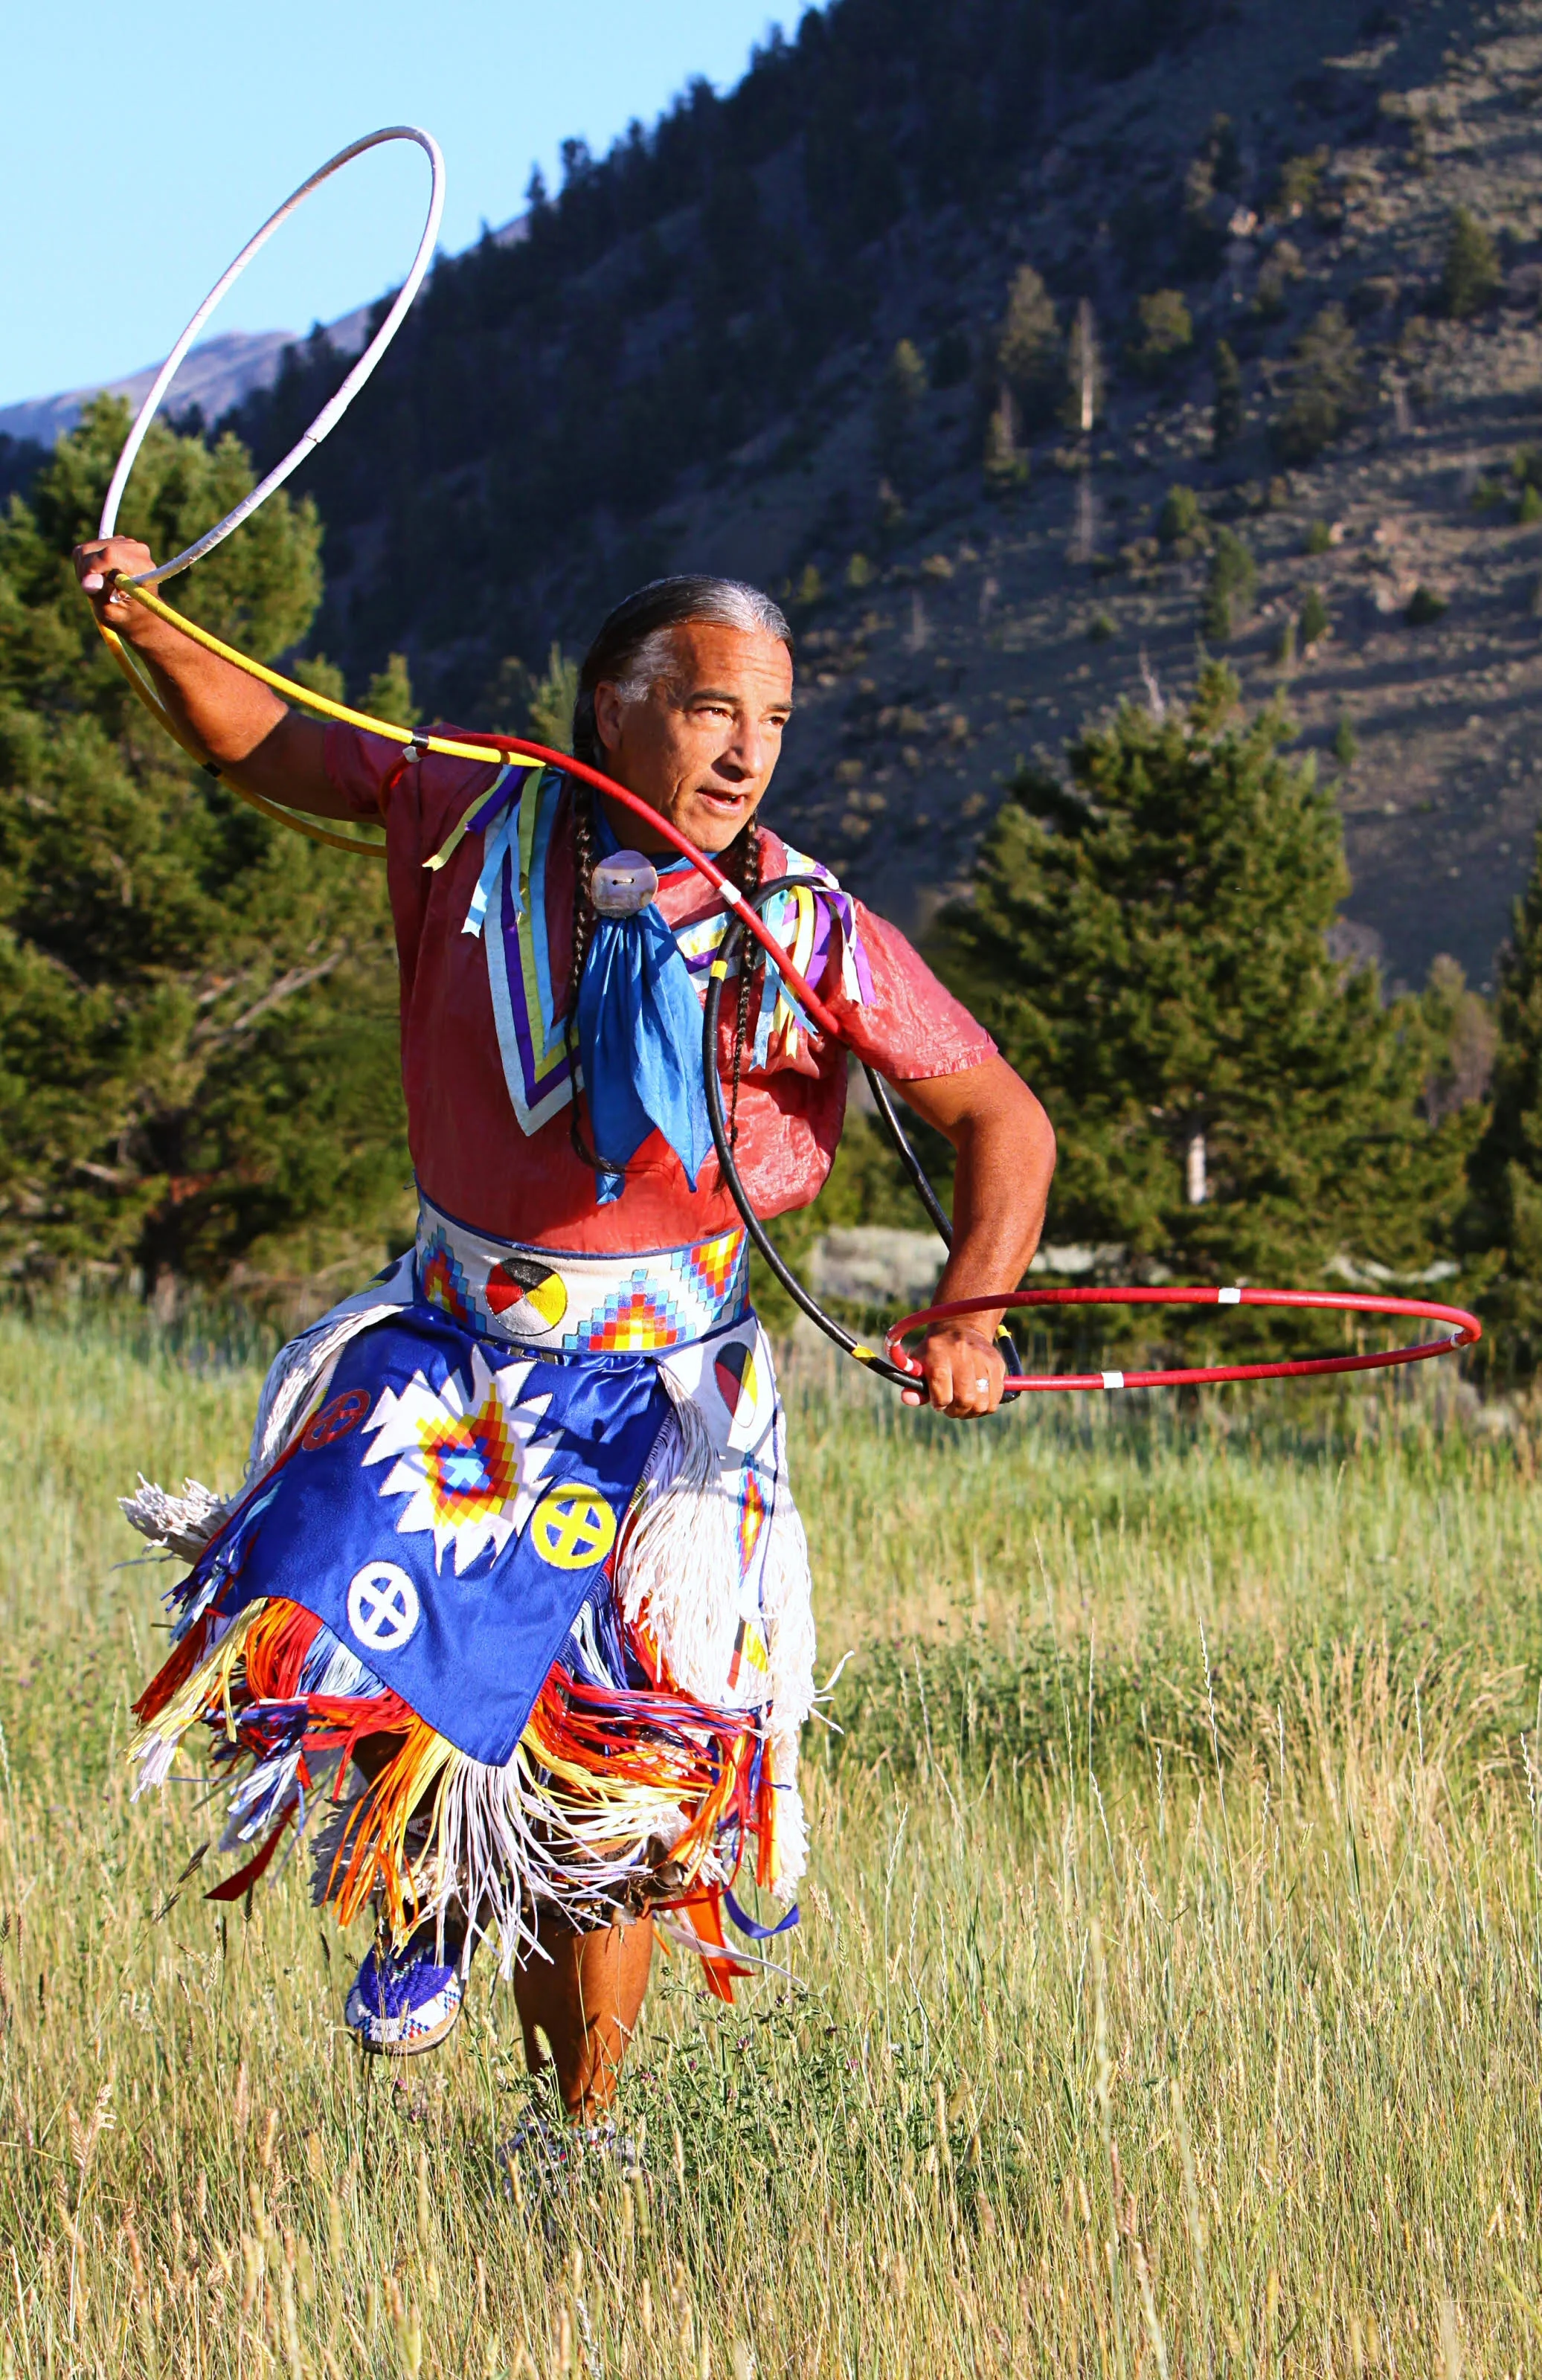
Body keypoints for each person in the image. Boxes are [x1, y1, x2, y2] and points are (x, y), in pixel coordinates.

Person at [74, 544, 1056, 2132]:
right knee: (353, 1624)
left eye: (776, 720)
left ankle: (574, 2139)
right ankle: (431, 1902)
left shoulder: (799, 921)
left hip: (670, 1409)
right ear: (613, 706)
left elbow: (997, 1116)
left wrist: (972, 1302)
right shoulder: (468, 810)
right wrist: (138, 616)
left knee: (618, 1782)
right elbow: (264, 740)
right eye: (708, 708)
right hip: (456, 1352)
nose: (746, 749)